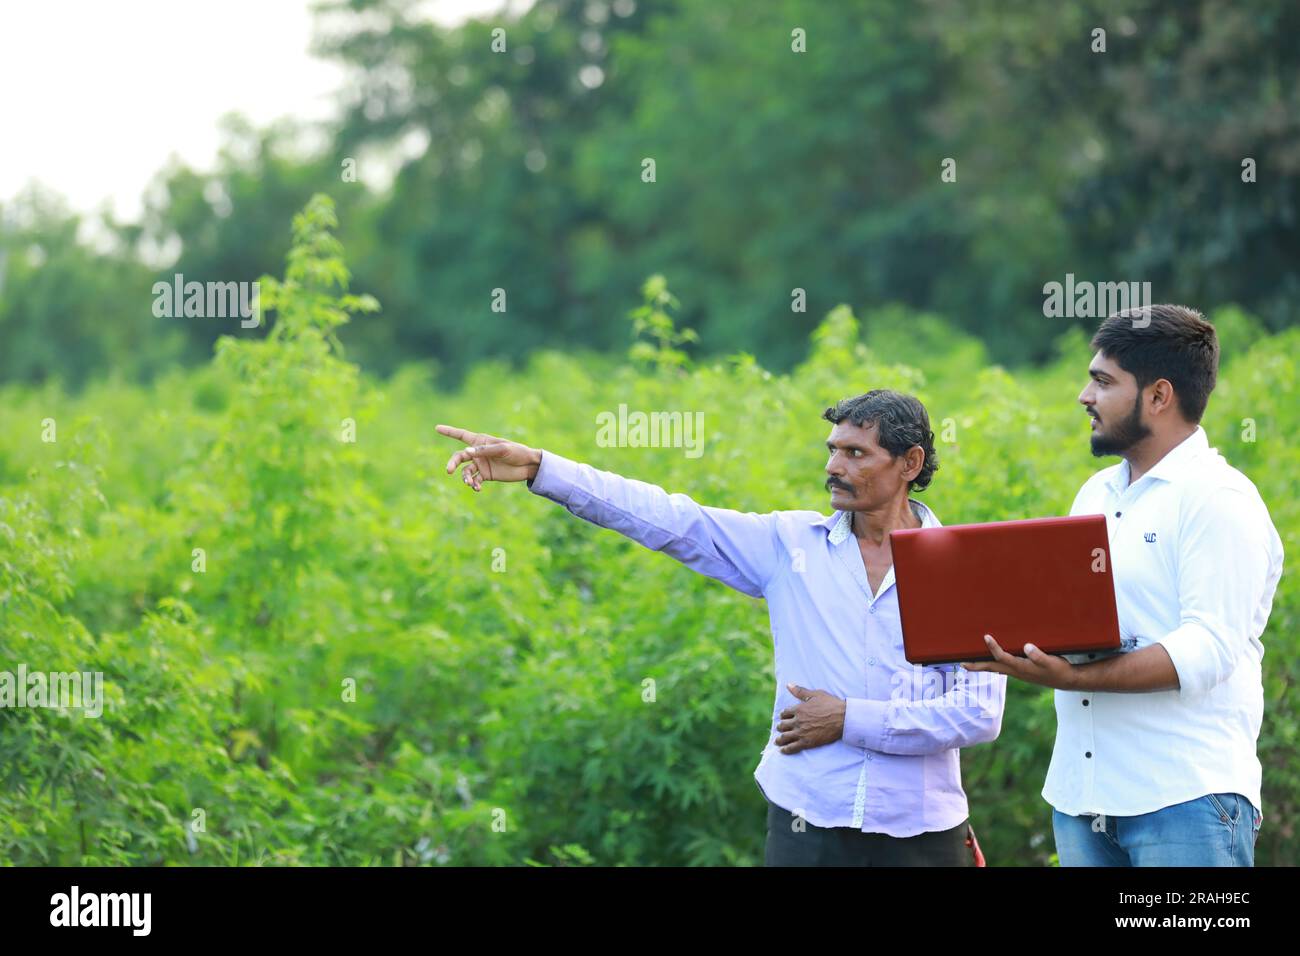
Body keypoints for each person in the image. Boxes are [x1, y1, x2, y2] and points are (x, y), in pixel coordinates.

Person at [439, 389, 1005, 866]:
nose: (834, 467)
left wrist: (848, 719)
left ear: (909, 463)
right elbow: (669, 518)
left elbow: (978, 714)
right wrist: (544, 467)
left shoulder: (965, 570)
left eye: (857, 453)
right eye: (833, 450)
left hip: (924, 833)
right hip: (805, 822)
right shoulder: (787, 545)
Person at [965, 304, 1284, 866]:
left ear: (1159, 396)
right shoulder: (1094, 495)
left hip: (1185, 800)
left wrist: (1072, 675)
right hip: (1082, 800)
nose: (1085, 397)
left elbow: (1207, 649)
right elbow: (1076, 619)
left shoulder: (1219, 499)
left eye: (1102, 382)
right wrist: (1011, 639)